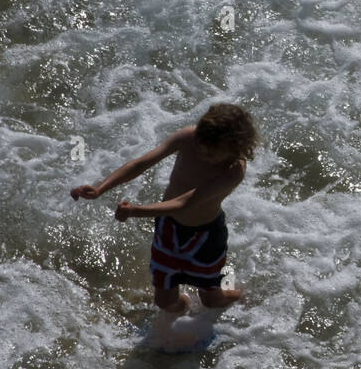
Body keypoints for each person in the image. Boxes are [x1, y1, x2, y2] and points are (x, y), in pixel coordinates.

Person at [70, 103, 258, 314]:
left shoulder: (233, 171)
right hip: (168, 228)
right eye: (201, 148)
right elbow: (141, 163)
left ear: (235, 148)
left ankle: (247, 300)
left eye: (212, 154)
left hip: (205, 239)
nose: (204, 155)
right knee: (166, 303)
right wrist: (99, 189)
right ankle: (184, 308)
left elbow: (185, 202)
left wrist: (135, 211)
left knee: (211, 301)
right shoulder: (189, 137)